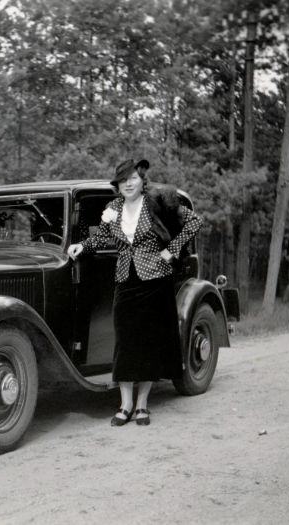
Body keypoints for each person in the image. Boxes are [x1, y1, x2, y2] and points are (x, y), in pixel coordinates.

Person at [68, 159, 203, 426]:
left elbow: (193, 222)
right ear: (117, 186)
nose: (128, 183)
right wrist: (81, 246)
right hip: (125, 280)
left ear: (142, 180)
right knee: (125, 342)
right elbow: (101, 237)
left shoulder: (157, 203)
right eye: (122, 180)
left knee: (148, 343)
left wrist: (170, 251)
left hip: (155, 279)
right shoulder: (113, 208)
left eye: (132, 178)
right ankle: (125, 404)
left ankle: (142, 405)